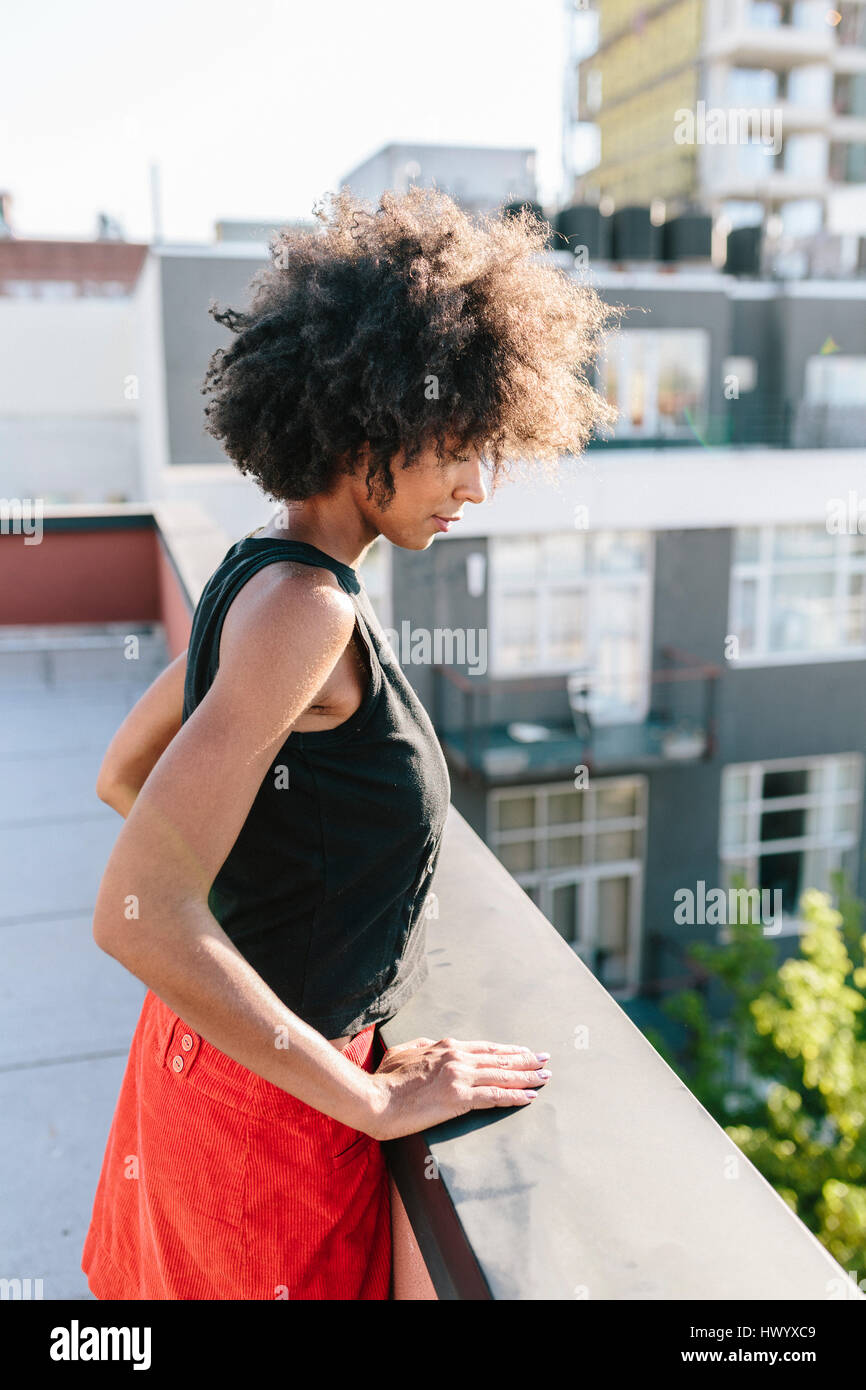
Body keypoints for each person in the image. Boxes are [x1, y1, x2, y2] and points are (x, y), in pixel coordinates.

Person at [81, 186, 616, 1300]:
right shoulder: (304, 611)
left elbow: (125, 772)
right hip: (265, 1111)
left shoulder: (258, 570)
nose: (477, 485)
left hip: (226, 1071)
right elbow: (134, 909)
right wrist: (365, 1095)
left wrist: (267, 879)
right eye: (458, 449)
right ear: (369, 421)